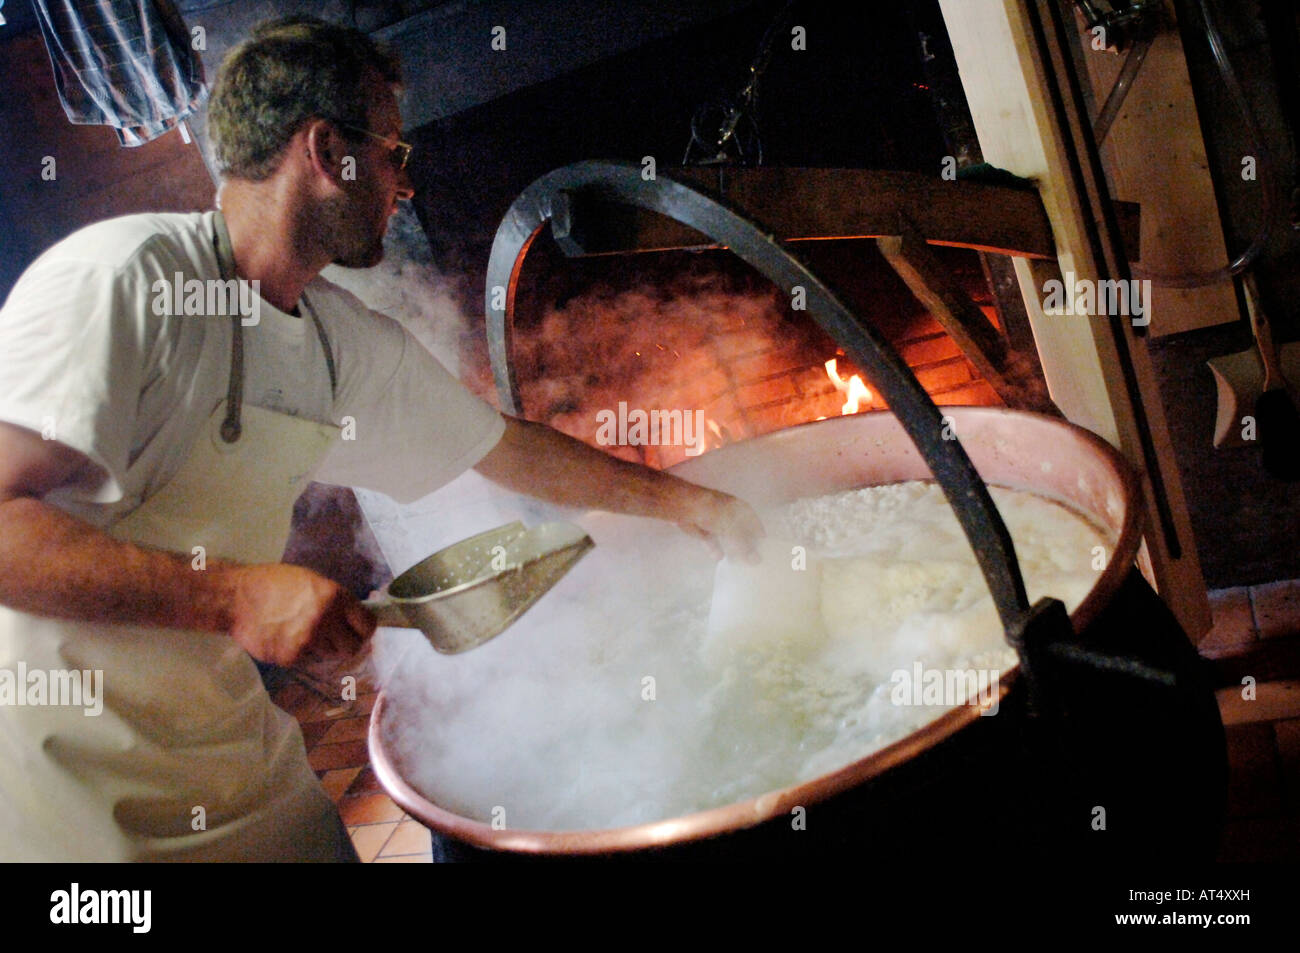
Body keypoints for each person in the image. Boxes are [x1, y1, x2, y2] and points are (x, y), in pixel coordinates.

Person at [0, 16, 762, 861]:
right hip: (79, 819)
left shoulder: (334, 339)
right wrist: (235, 597)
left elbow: (503, 448)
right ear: (329, 153)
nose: (405, 187)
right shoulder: (124, 280)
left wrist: (693, 503)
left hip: (249, 785)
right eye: (395, 155)